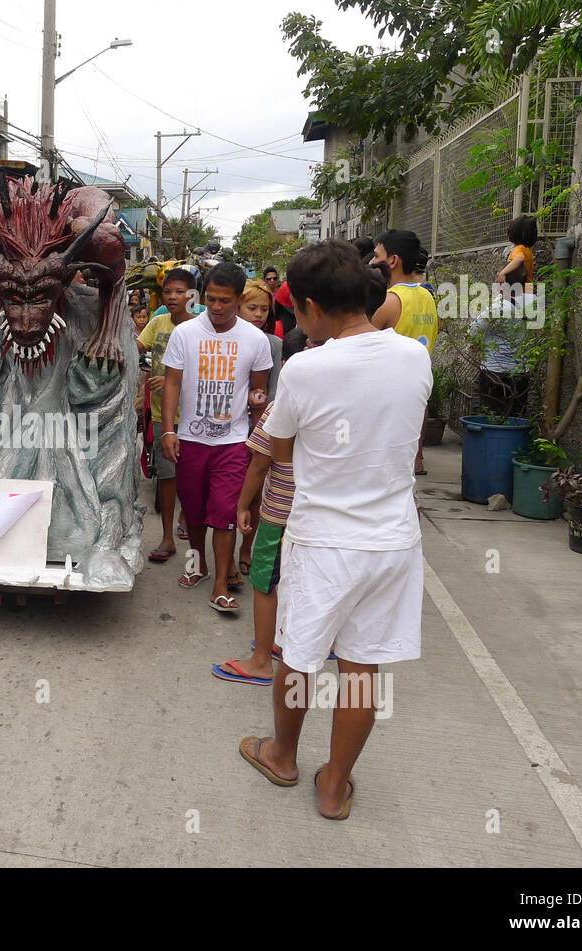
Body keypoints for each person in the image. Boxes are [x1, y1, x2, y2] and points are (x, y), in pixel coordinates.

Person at [238, 240, 431, 820]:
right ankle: (334, 785)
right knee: (362, 667)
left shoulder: (305, 367)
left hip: (323, 541)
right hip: (393, 541)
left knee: (299, 657)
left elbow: (284, 451)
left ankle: (282, 755)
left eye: (297, 308)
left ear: (314, 307)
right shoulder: (413, 357)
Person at [159, 262, 272, 612]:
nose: (217, 307)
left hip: (234, 442)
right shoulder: (185, 334)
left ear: (239, 299)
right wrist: (168, 429)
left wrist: (257, 433)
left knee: (224, 512)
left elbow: (258, 392)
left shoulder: (256, 340)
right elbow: (172, 383)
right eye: (211, 299)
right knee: (193, 511)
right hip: (191, 439)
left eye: (225, 300)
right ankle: (199, 565)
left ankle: (221, 584)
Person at [212, 398, 297, 687]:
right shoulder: (345, 402)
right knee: (305, 581)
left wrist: (243, 504)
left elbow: (260, 462)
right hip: (323, 516)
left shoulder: (286, 404)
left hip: (282, 512)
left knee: (265, 582)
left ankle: (261, 661)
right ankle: (288, 642)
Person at [137, 268, 196, 563]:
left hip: (193, 416)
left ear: (192, 296)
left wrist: (172, 381)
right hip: (162, 414)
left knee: (190, 476)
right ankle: (167, 537)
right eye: (168, 292)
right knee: (167, 476)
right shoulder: (158, 322)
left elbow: (203, 374)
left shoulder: (200, 328)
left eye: (179, 292)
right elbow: (136, 346)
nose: (172, 297)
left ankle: (187, 518)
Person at [370, 229, 439, 474]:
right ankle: (417, 460)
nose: (371, 261)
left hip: (387, 396)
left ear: (393, 260)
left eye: (376, 255)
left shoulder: (389, 301)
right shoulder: (427, 295)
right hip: (419, 386)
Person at [237, 279, 285, 576]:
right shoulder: (227, 339)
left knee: (254, 494)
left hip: (259, 427)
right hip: (226, 426)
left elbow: (275, 389)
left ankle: (245, 549)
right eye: (252, 308)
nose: (258, 314)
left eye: (264, 309)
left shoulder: (274, 344)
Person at [495, 215, 537, 296]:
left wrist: (502, 273)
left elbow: (519, 259)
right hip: (528, 292)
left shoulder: (518, 249)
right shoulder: (527, 249)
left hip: (517, 294)